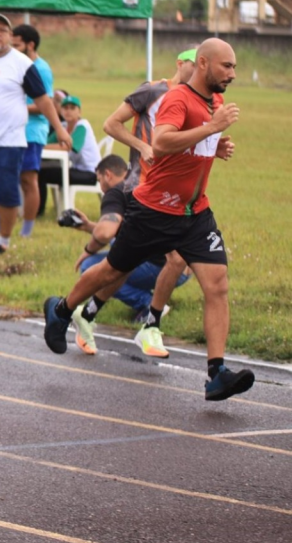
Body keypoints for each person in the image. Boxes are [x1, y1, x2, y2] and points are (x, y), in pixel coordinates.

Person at [43, 39, 255, 401]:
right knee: (112, 270)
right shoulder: (177, 98)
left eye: (234, 67)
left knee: (217, 284)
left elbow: (190, 146)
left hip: (194, 212)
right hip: (154, 210)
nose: (232, 74)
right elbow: (161, 142)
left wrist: (214, 147)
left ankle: (216, 373)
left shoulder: (214, 102)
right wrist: (209, 130)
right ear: (203, 64)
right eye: (227, 67)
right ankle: (61, 310)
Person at [0, 13, 71, 254]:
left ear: (10, 36)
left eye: (3, 30)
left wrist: (60, 129)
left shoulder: (22, 63)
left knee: (7, 192)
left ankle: (4, 241)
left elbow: (43, 100)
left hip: (8, 142)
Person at [61, 154, 190, 356]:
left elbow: (107, 232)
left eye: (99, 179)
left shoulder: (116, 192)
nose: (100, 185)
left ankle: (146, 305)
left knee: (97, 267)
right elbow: (123, 231)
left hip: (156, 264)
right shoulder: (150, 188)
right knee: (124, 253)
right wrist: (88, 227)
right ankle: (91, 313)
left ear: (108, 175)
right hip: (182, 267)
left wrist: (88, 250)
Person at [103, 48, 196, 192]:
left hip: (175, 187)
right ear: (180, 64)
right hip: (143, 184)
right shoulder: (152, 91)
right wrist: (143, 147)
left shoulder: (197, 100)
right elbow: (111, 124)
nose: (197, 72)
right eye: (193, 65)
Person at [10, 24, 53, 237]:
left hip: (32, 132)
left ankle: (26, 230)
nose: (12, 49)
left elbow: (46, 105)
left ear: (30, 45)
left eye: (16, 45)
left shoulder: (41, 69)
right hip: (11, 129)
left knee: (28, 180)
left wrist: (15, 107)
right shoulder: (14, 64)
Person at [37, 94, 100, 215]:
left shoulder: (82, 125)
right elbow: (47, 142)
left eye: (72, 108)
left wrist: (39, 147)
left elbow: (67, 147)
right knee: (39, 170)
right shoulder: (63, 127)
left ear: (79, 111)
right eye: (65, 108)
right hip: (76, 169)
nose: (68, 111)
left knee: (41, 172)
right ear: (60, 111)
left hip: (91, 173)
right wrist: (42, 145)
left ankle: (38, 211)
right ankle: (38, 209)